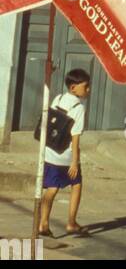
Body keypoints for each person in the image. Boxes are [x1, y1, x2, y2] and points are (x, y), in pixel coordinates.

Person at [38, 68, 91, 238]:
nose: (88, 90)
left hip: (49, 151)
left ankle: (43, 223)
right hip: (66, 156)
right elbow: (75, 138)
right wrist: (74, 161)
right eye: (86, 86)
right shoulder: (78, 108)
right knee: (76, 184)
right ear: (74, 87)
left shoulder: (58, 98)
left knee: (52, 188)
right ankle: (71, 222)